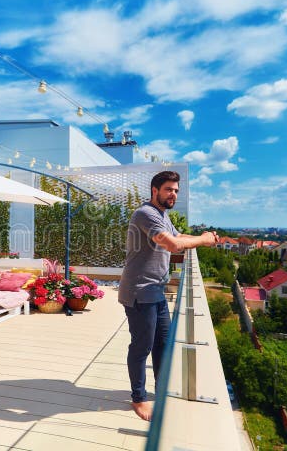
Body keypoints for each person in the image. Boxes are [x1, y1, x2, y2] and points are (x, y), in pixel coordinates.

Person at [118, 170, 219, 421]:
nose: (173, 194)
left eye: (176, 190)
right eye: (168, 190)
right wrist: (205, 240)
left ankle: (161, 392)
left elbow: (178, 236)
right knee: (141, 346)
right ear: (155, 190)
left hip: (157, 290)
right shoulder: (145, 214)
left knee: (163, 345)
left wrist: (203, 237)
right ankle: (138, 398)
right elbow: (172, 245)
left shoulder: (162, 215)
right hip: (140, 291)